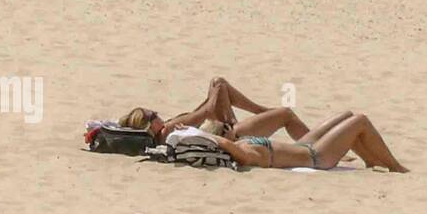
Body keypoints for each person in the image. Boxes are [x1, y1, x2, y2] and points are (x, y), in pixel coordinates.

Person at [119, 77, 312, 143]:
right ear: (149, 126)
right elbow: (207, 111)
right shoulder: (167, 129)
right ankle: (313, 145)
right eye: (153, 115)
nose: (157, 113)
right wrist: (217, 95)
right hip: (233, 136)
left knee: (218, 82)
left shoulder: (165, 130)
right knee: (286, 114)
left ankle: (261, 111)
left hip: (222, 130)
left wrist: (216, 91)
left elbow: (204, 110)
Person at [213, 111, 408, 172]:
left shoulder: (241, 141)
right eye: (226, 128)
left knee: (347, 115)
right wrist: (212, 138)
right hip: (316, 157)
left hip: (303, 146)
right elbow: (231, 148)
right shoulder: (246, 154)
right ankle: (395, 167)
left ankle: (370, 161)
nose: (232, 127)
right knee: (360, 121)